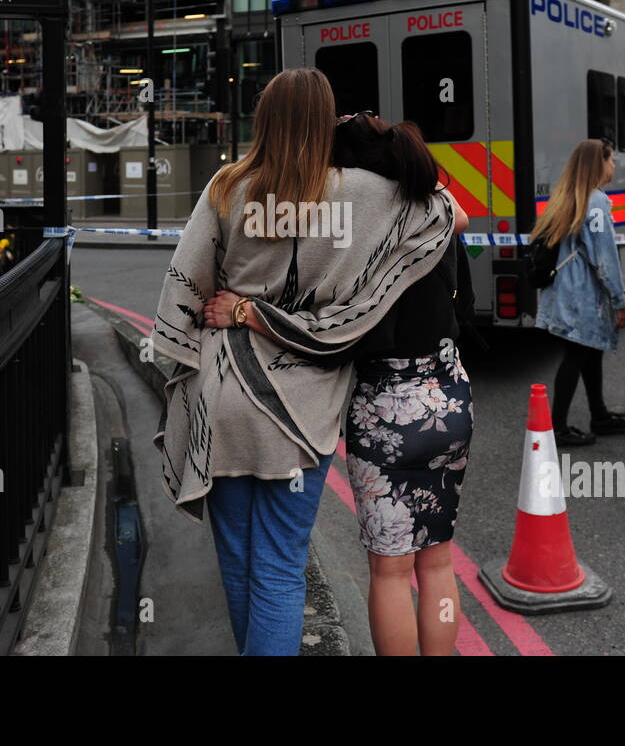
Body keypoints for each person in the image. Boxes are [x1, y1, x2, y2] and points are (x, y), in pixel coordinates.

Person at [151, 69, 458, 656]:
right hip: (300, 408)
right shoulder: (363, 192)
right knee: (280, 570)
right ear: (326, 121)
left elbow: (184, 289)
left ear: (262, 120)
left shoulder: (227, 185)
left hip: (221, 398)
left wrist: (219, 322)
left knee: (239, 565)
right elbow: (443, 214)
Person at [530, 139, 625, 448]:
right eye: (611, 160)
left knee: (589, 352)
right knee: (576, 355)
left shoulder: (568, 197)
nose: (614, 165)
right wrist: (620, 301)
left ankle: (599, 414)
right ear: (598, 163)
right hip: (580, 295)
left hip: (565, 292)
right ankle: (557, 426)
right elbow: (604, 257)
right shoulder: (596, 201)